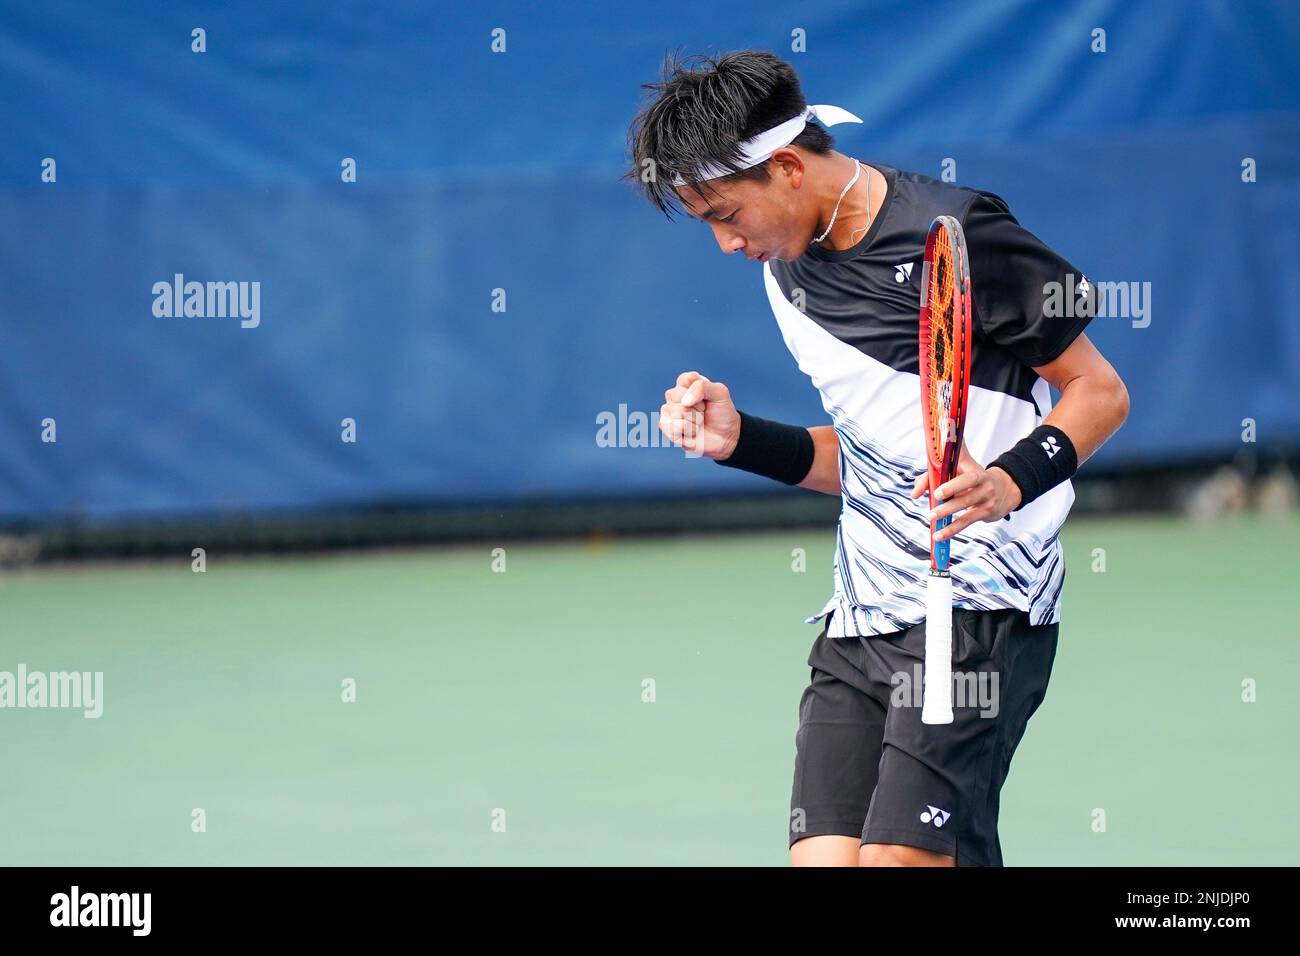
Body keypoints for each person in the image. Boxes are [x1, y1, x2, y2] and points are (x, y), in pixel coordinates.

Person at [625, 50, 1129, 867]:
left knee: (901, 862)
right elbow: (871, 460)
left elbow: (1101, 393)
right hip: (864, 609)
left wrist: (1010, 479)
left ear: (785, 168)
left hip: (977, 607)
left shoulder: (957, 235)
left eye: (725, 213)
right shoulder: (785, 275)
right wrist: (740, 439)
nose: (724, 243)